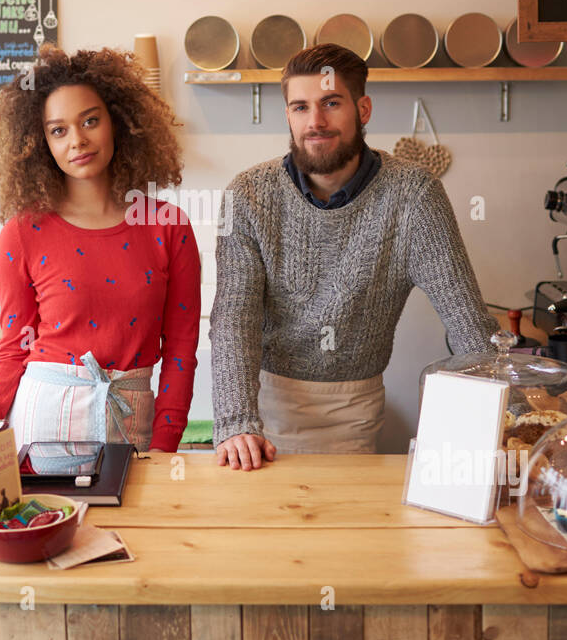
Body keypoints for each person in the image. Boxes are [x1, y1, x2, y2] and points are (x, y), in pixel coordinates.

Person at [210, 43, 497, 469]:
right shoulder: (248, 193)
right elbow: (235, 315)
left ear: (363, 109)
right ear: (287, 114)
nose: (315, 122)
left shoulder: (414, 195)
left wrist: (500, 421)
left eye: (330, 103)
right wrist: (235, 420)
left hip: (354, 412)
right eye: (300, 107)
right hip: (261, 411)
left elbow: (467, 321)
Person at [0, 46, 200, 453]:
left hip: (134, 427)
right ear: (40, 142)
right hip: (43, 430)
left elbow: (181, 352)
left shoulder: (168, 226)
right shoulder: (22, 232)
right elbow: (14, 347)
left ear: (119, 122)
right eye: (58, 130)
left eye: (90, 120)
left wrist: (165, 443)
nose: (78, 140)